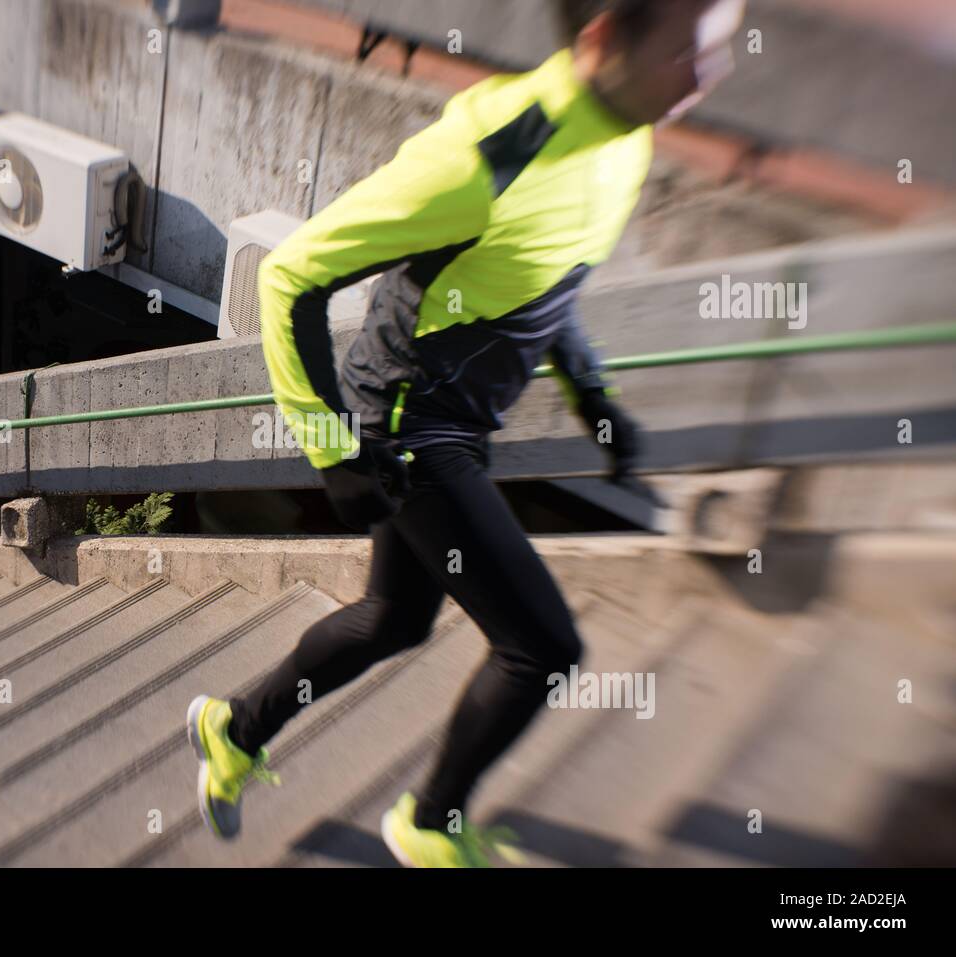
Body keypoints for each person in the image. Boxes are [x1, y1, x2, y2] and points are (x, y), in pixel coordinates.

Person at [187, 0, 746, 867]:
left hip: (456, 421)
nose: (709, 77)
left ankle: (233, 727)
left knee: (390, 620)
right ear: (603, 39)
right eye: (689, 52)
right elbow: (293, 277)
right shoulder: (486, 153)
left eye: (717, 51)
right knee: (543, 646)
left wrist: (593, 396)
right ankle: (429, 824)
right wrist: (333, 450)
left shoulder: (624, 137)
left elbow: (542, 277)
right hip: (408, 429)